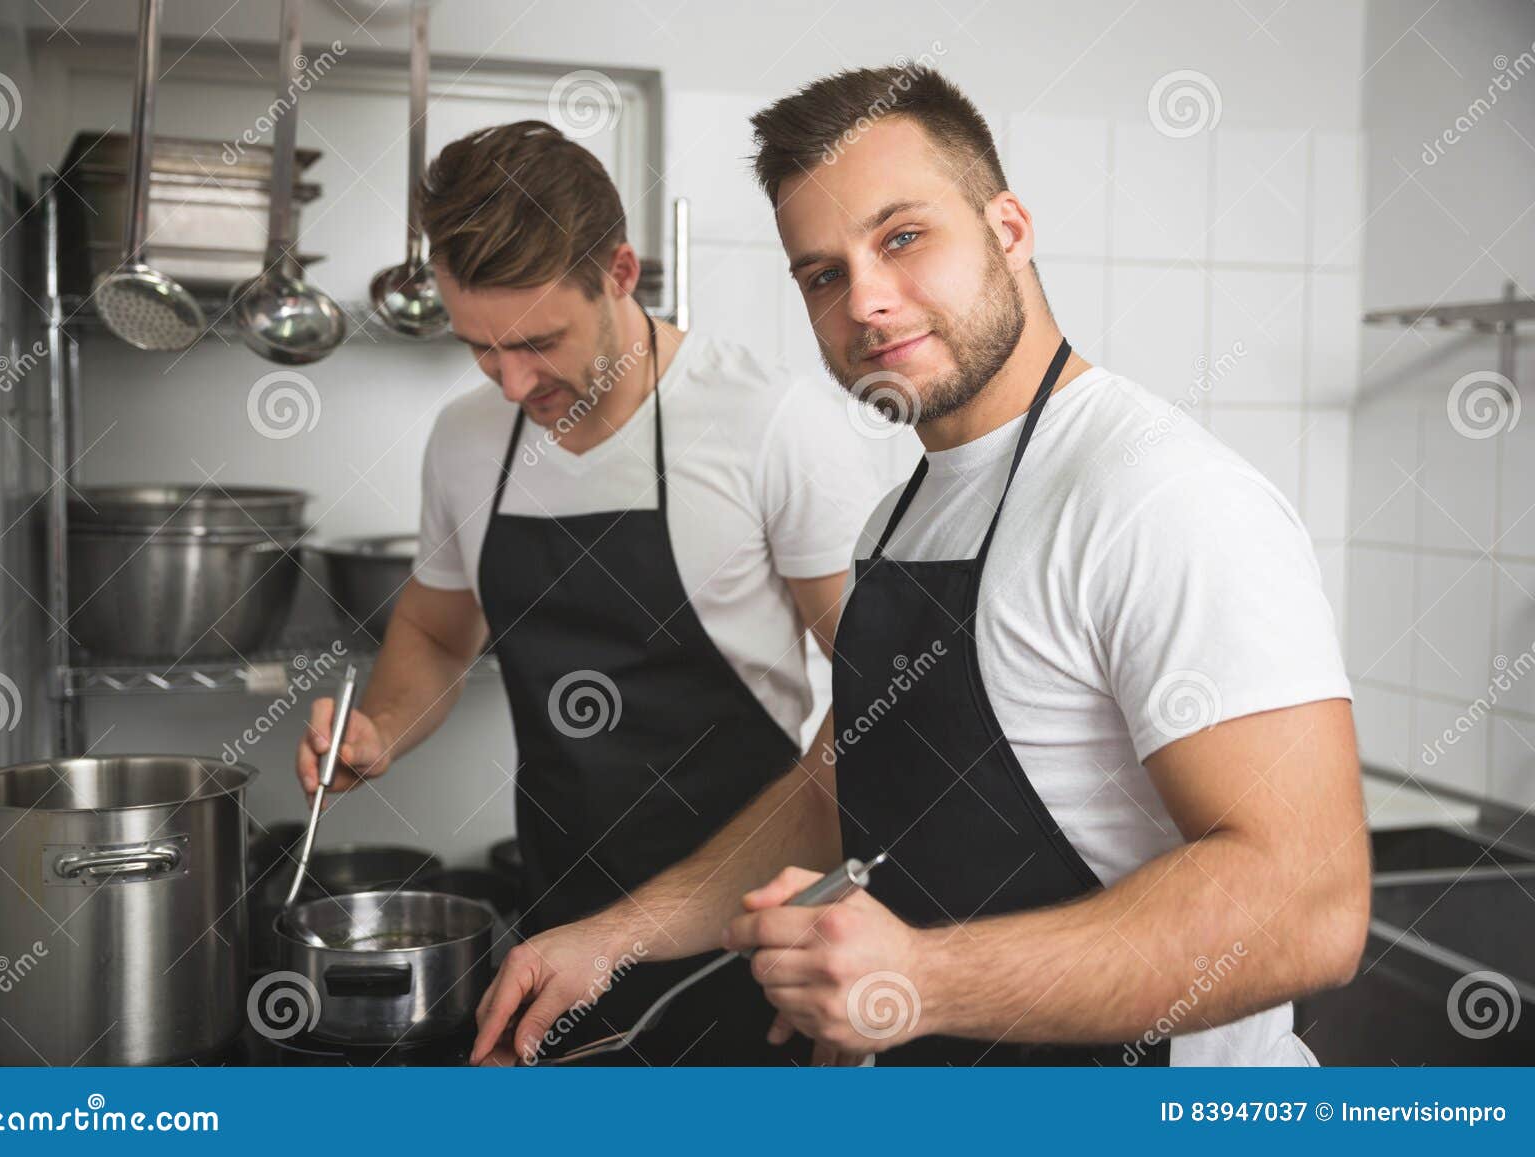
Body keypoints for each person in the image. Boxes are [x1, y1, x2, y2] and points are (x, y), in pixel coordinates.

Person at [470, 69, 1369, 1067]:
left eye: (902, 237)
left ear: (1010, 228)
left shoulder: (1160, 496)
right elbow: (824, 795)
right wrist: (614, 937)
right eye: (821, 273)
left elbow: (1307, 901)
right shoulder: (897, 516)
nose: (866, 300)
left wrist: (921, 978)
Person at [295, 119, 912, 1065]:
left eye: (538, 342)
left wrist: (858, 908)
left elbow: (882, 694)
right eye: (479, 348)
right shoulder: (466, 440)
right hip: (555, 913)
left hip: (743, 926)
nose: (511, 381)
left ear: (620, 272)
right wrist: (378, 727)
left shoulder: (766, 422)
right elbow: (433, 631)